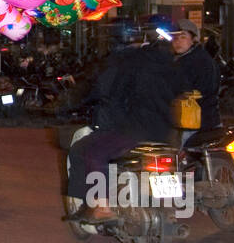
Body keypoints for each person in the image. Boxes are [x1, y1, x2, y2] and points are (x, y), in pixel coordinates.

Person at [67, 30, 185, 220]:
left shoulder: (123, 62)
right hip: (165, 131)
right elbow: (181, 88)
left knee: (87, 151)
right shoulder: (168, 62)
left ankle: (102, 206)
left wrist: (71, 103)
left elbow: (103, 91)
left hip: (131, 130)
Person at [168, 19, 220, 137]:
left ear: (194, 40)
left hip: (196, 124)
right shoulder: (180, 60)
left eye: (183, 37)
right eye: (175, 38)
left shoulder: (199, 62)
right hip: (189, 122)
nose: (178, 42)